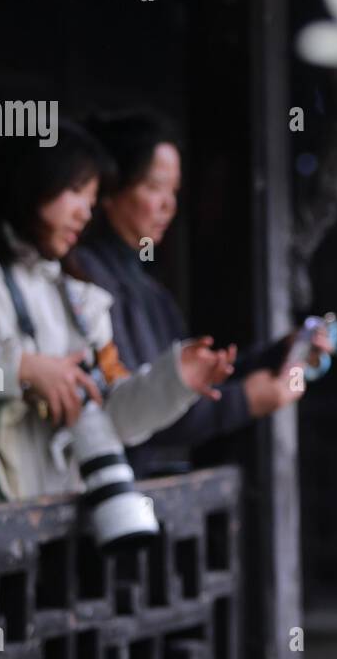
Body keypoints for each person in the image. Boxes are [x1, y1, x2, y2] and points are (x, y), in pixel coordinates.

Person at [0, 122, 234, 504]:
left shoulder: (79, 295)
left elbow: (113, 418)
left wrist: (173, 382)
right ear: (32, 180)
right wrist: (18, 371)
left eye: (90, 201)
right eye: (75, 192)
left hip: (51, 525)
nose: (83, 214)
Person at [74, 110, 322, 478]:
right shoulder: (84, 280)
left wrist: (279, 353)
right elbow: (142, 412)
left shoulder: (149, 289)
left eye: (173, 191)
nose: (168, 205)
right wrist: (247, 400)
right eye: (154, 187)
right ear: (109, 190)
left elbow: (191, 380)